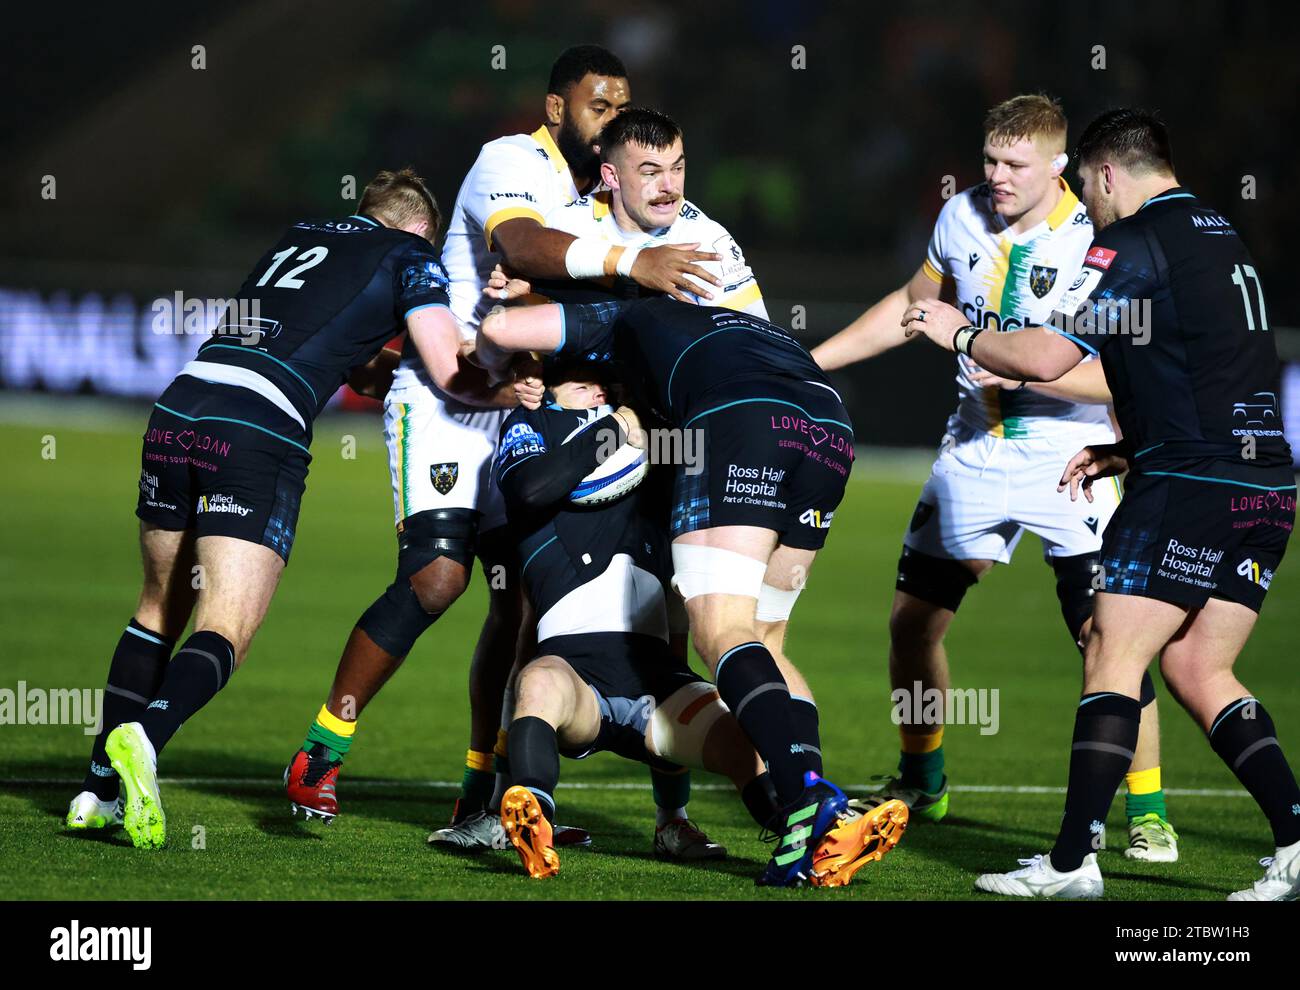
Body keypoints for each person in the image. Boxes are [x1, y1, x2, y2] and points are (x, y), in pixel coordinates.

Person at [285, 47, 725, 853]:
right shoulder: (511, 160)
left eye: (622, 106)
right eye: (598, 106)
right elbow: (520, 247)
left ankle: (482, 796)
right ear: (557, 110)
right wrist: (635, 263)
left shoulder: (605, 190)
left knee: (521, 600)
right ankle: (322, 749)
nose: (611, 122)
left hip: (527, 402)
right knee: (436, 577)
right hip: (452, 393)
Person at [903, 108, 1300, 900]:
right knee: (1197, 664)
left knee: (1110, 653)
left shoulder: (1135, 241)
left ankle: (1068, 864)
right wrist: (1128, 448)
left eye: (1086, 184)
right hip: (1265, 484)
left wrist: (959, 333)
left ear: (1110, 173)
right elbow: (1206, 367)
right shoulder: (1219, 233)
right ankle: (1295, 840)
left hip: (1190, 483)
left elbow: (1049, 356)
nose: (1088, 203)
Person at [64, 170, 518, 849]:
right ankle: (145, 740)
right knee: (226, 627)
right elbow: (448, 370)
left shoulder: (301, 235)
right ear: (419, 230)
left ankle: (94, 792)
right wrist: (525, 393)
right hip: (258, 428)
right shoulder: (410, 256)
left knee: (157, 607)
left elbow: (346, 358)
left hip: (182, 404)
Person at [811, 94, 1177, 860]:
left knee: (1105, 638)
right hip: (972, 451)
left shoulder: (1099, 239)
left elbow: (1118, 375)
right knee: (912, 625)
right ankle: (922, 778)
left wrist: (1001, 354)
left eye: (1015, 164)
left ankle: (1147, 813)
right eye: (989, 160)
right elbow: (915, 307)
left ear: (1057, 165)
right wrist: (808, 364)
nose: (997, 176)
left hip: (1068, 459)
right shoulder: (962, 217)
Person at [472, 294, 874, 886]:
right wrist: (610, 430)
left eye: (607, 384)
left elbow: (694, 482)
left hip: (657, 684)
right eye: (582, 383)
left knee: (746, 737)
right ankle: (532, 814)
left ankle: (810, 826)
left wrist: (641, 429)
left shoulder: (661, 445)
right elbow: (533, 488)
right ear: (546, 386)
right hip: (575, 672)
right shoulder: (534, 427)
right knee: (539, 682)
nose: (600, 391)